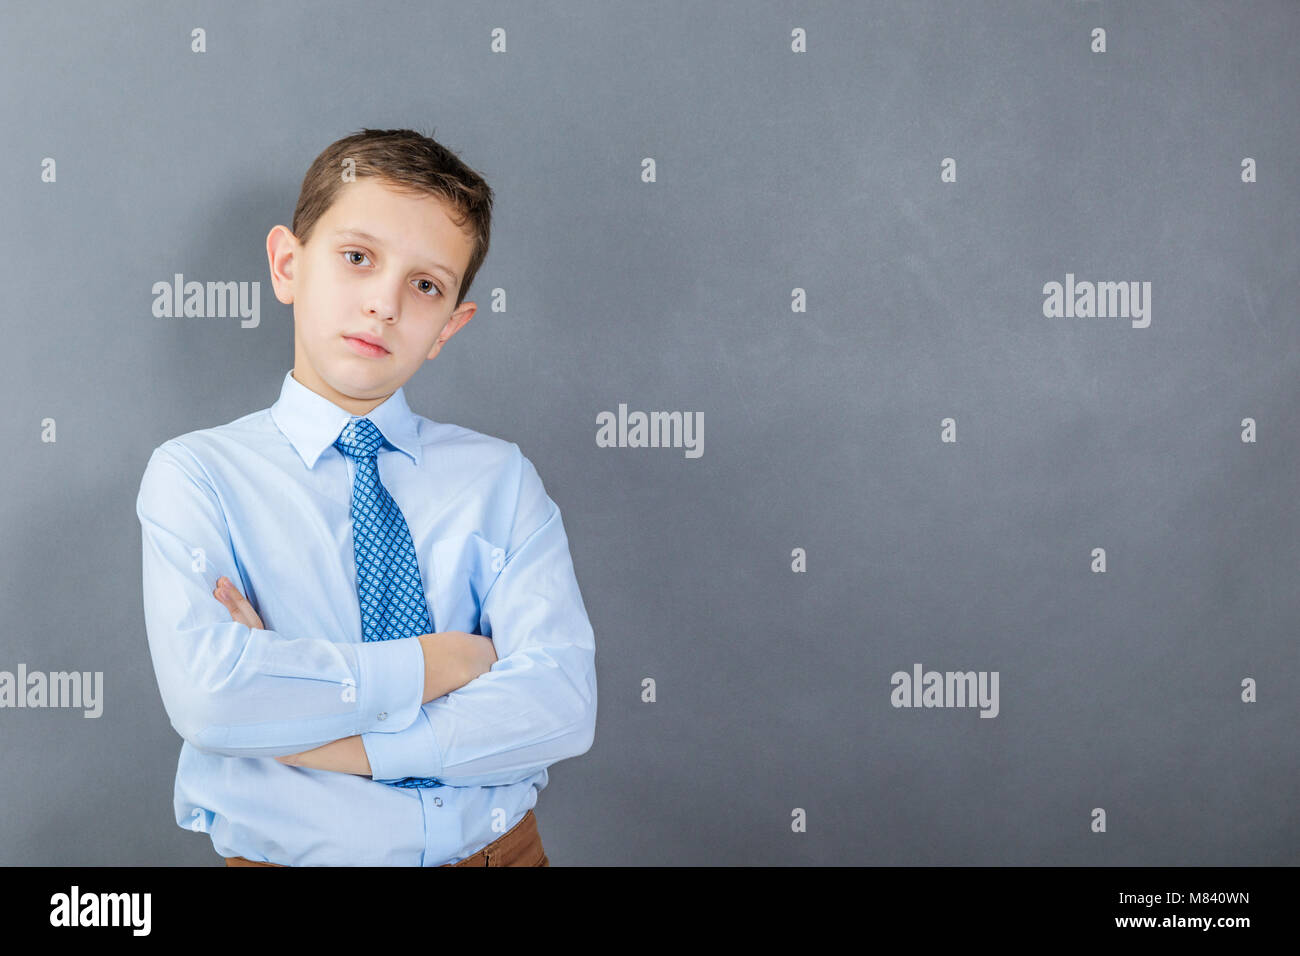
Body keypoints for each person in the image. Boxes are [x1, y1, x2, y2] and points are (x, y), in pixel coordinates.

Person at [135, 128, 597, 866]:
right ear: (288, 265)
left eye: (425, 285)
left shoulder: (500, 480)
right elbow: (215, 699)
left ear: (449, 325)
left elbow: (561, 705)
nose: (384, 304)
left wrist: (327, 736)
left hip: (501, 854)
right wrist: (444, 662)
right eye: (358, 258)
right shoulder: (198, 476)